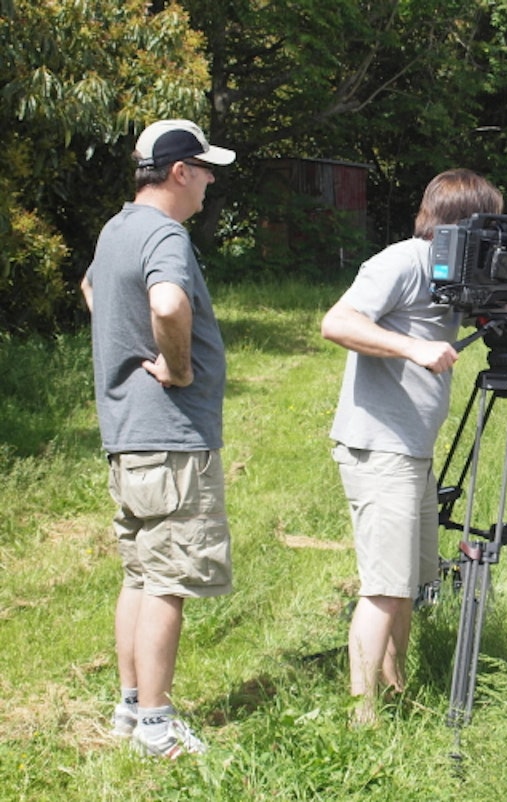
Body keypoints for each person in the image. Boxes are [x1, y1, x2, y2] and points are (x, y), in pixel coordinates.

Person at [321, 168, 503, 725]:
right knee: (383, 587)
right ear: (465, 223)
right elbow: (336, 322)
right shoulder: (402, 260)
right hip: (382, 450)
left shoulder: (455, 273)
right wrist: (411, 349)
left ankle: (395, 688)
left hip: (413, 451)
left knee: (407, 584)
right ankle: (363, 716)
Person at [81, 119, 236, 757]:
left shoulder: (116, 229)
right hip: (170, 437)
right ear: (178, 172)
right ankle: (155, 725)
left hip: (127, 434)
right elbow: (169, 304)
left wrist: (123, 336)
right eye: (204, 170)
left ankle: (127, 707)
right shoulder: (165, 233)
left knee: (141, 575)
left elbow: (93, 287)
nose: (208, 183)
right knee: (168, 580)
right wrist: (173, 365)